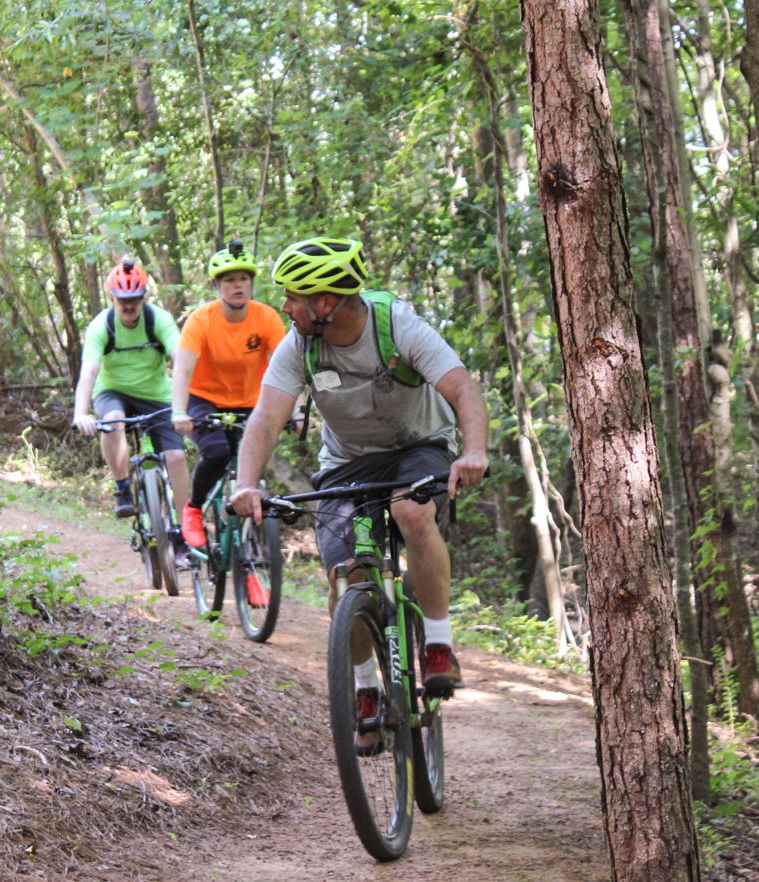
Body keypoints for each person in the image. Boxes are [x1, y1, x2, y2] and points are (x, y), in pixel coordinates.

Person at [229, 236, 489, 731]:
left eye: (293, 297)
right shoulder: (299, 346)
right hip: (348, 463)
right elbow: (266, 418)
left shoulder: (397, 326)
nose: (284, 307)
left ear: (325, 303)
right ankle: (366, 686)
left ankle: (437, 644)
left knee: (410, 510)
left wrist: (473, 451)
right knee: (348, 574)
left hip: (419, 446)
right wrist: (246, 483)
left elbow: (463, 389)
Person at [170, 240, 288, 588]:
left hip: (251, 403)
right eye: (229, 280)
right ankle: (193, 509)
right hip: (204, 400)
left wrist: (296, 411)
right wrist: (179, 411)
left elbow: (288, 368)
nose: (238, 286)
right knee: (218, 453)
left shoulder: (266, 317)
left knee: (249, 476)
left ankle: (249, 567)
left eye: (243, 279)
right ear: (217, 286)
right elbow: (182, 371)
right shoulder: (201, 320)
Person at [73, 257, 191, 541]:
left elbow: (181, 358)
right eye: (123, 300)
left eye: (135, 299)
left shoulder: (158, 320)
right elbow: (88, 372)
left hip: (157, 395)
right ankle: (123, 487)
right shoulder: (101, 326)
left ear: (143, 297)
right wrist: (80, 413)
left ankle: (184, 532)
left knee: (176, 457)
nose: (129, 306)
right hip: (113, 391)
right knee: (112, 420)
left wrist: (189, 404)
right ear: (112, 297)